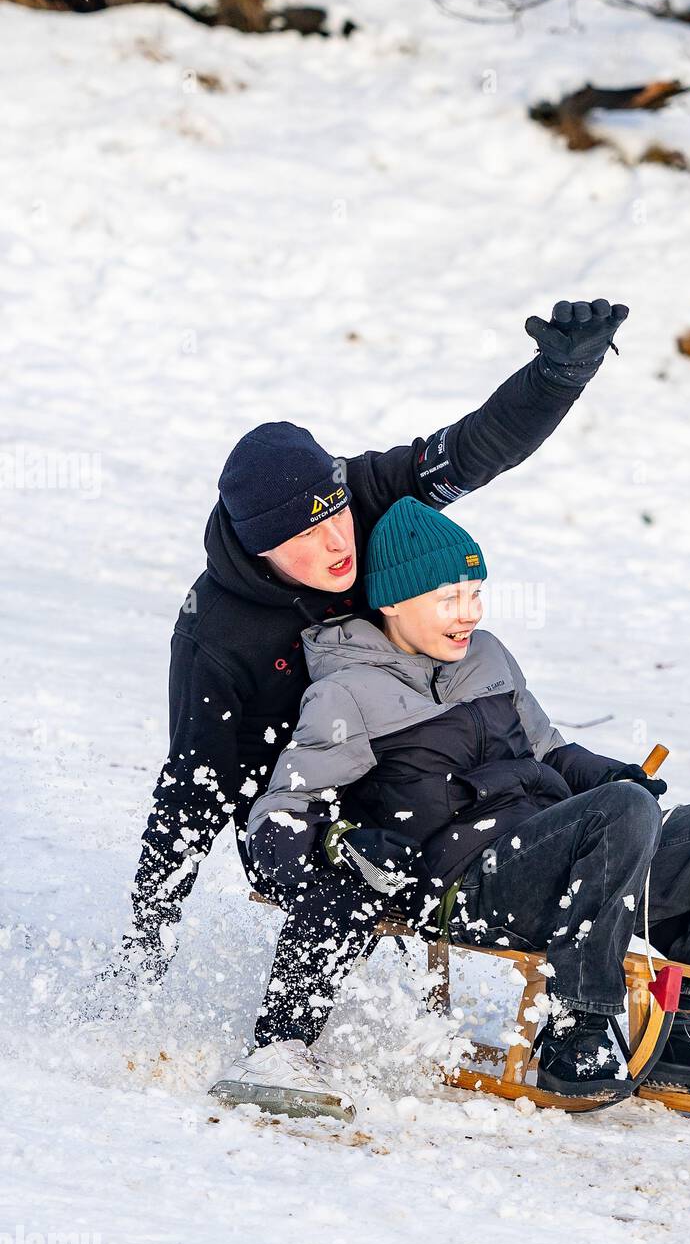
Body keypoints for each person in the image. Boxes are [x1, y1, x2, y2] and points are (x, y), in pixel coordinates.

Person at [211, 498, 690, 1122]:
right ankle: (579, 1022)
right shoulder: (346, 692)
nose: (469, 614)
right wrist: (306, 864)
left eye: (476, 593)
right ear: (393, 600)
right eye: (448, 598)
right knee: (619, 811)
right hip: (481, 882)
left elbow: (551, 751)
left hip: (584, 851)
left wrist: (614, 775)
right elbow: (291, 800)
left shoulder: (487, 657)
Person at [101, 299, 630, 991]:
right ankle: (286, 1043)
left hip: (412, 774)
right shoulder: (217, 634)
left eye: (336, 516)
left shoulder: (361, 493)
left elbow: (474, 448)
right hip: (301, 808)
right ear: (260, 549)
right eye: (305, 539)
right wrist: (148, 941)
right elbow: (194, 788)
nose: (336, 543)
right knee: (340, 878)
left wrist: (559, 376)